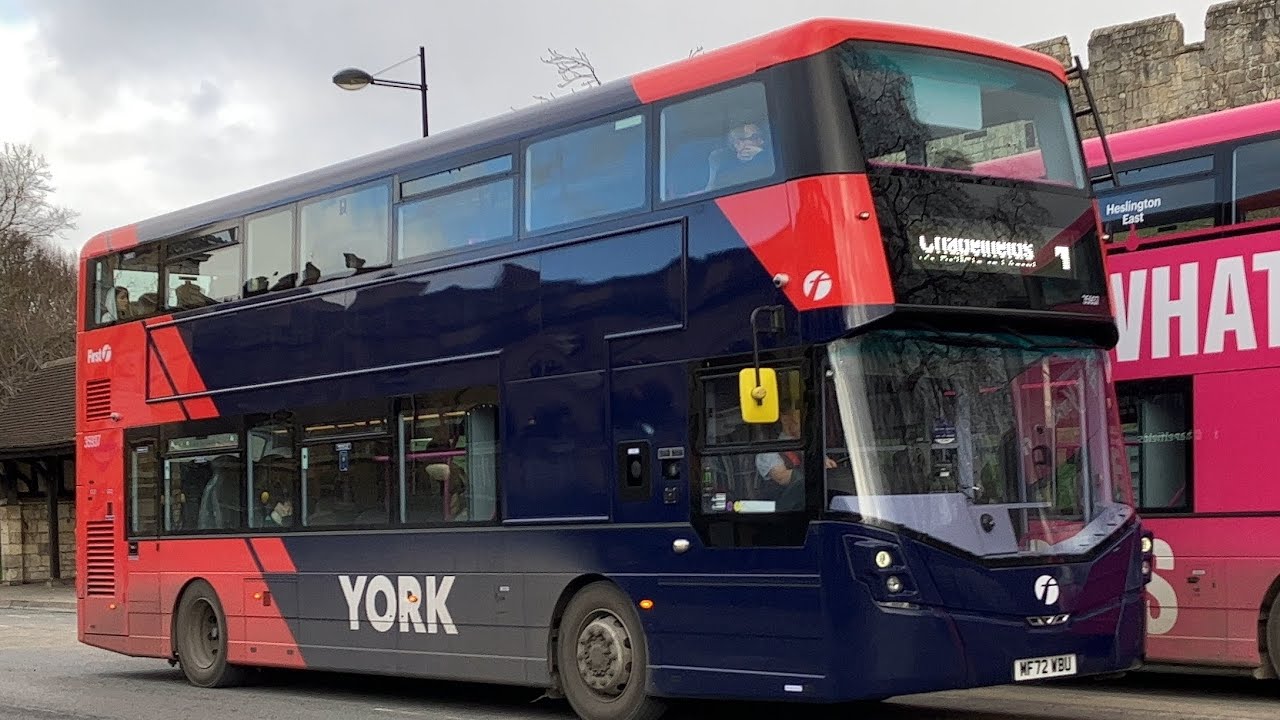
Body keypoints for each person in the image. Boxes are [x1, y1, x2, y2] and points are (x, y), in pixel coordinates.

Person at [754, 408, 836, 511]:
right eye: (799, 420)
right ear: (785, 419)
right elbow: (783, 478)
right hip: (786, 511)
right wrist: (817, 467)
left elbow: (831, 470)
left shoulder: (812, 448)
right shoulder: (769, 451)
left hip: (817, 505)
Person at [705, 119, 775, 191]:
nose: (762, 141)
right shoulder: (727, 168)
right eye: (754, 137)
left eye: (760, 137)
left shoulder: (772, 157)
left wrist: (761, 154)